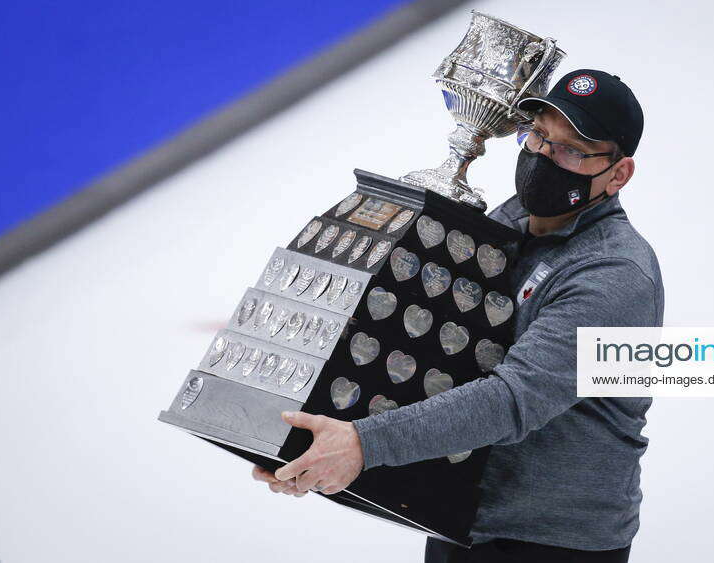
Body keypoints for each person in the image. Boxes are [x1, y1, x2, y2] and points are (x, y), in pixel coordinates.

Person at [252, 69, 663, 562]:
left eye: (572, 149)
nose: (543, 157)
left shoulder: (614, 273)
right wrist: (316, 441)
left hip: (553, 543)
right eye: (538, 135)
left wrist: (363, 444)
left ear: (618, 174)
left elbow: (514, 400)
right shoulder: (506, 222)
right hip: (460, 520)